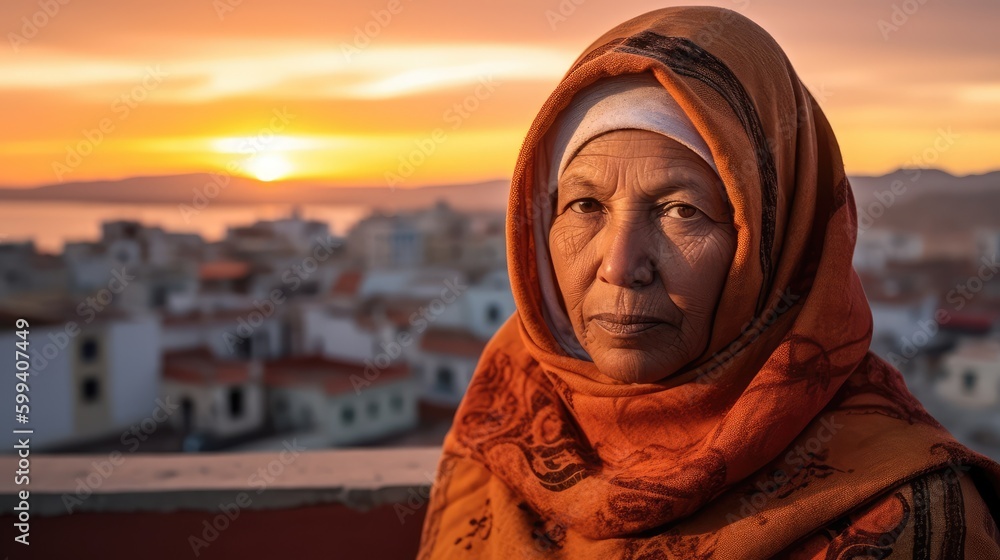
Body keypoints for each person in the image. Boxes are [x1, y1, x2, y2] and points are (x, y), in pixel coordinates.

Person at [416, 6, 1000, 559]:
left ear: (779, 238)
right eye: (586, 205)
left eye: (681, 211)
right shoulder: (510, 403)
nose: (620, 265)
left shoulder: (905, 514)